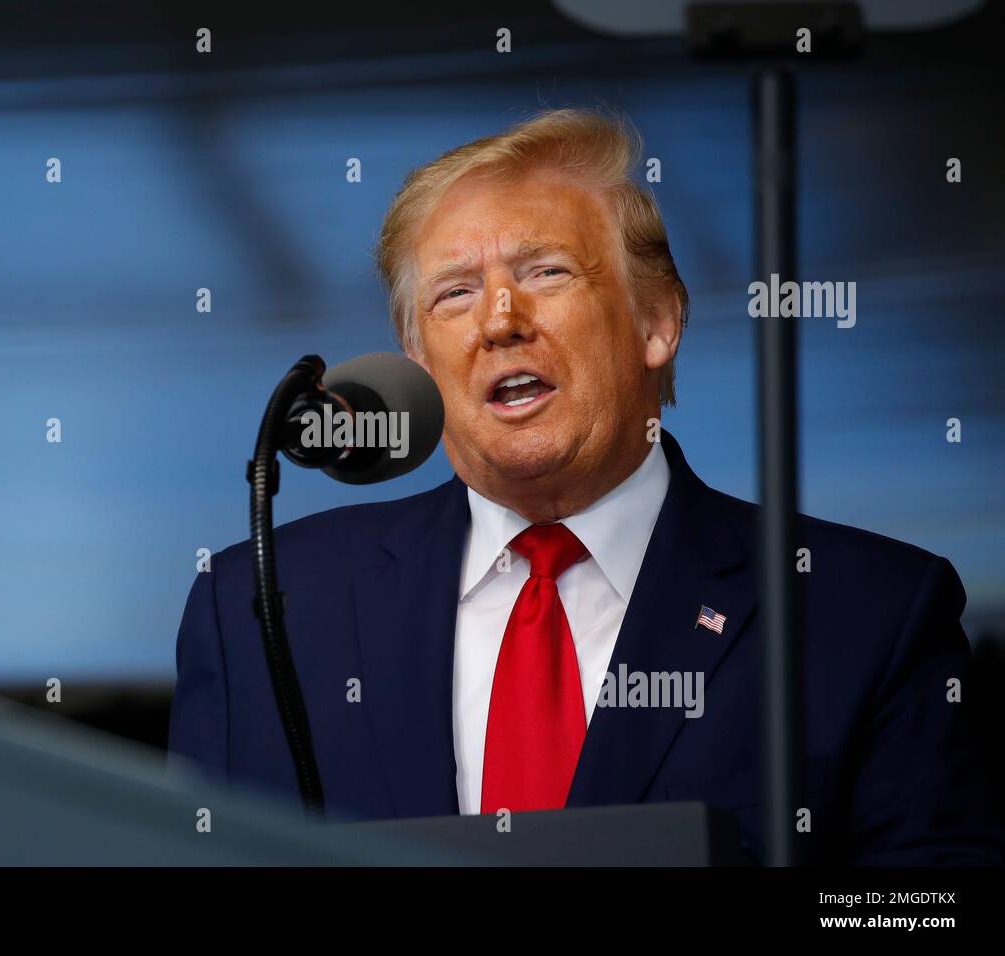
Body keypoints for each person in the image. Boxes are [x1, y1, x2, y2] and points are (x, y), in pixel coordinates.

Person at [168, 109, 1000, 864]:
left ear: (657, 323)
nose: (500, 320)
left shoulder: (866, 613)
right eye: (455, 294)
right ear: (418, 364)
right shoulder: (261, 608)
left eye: (548, 272)